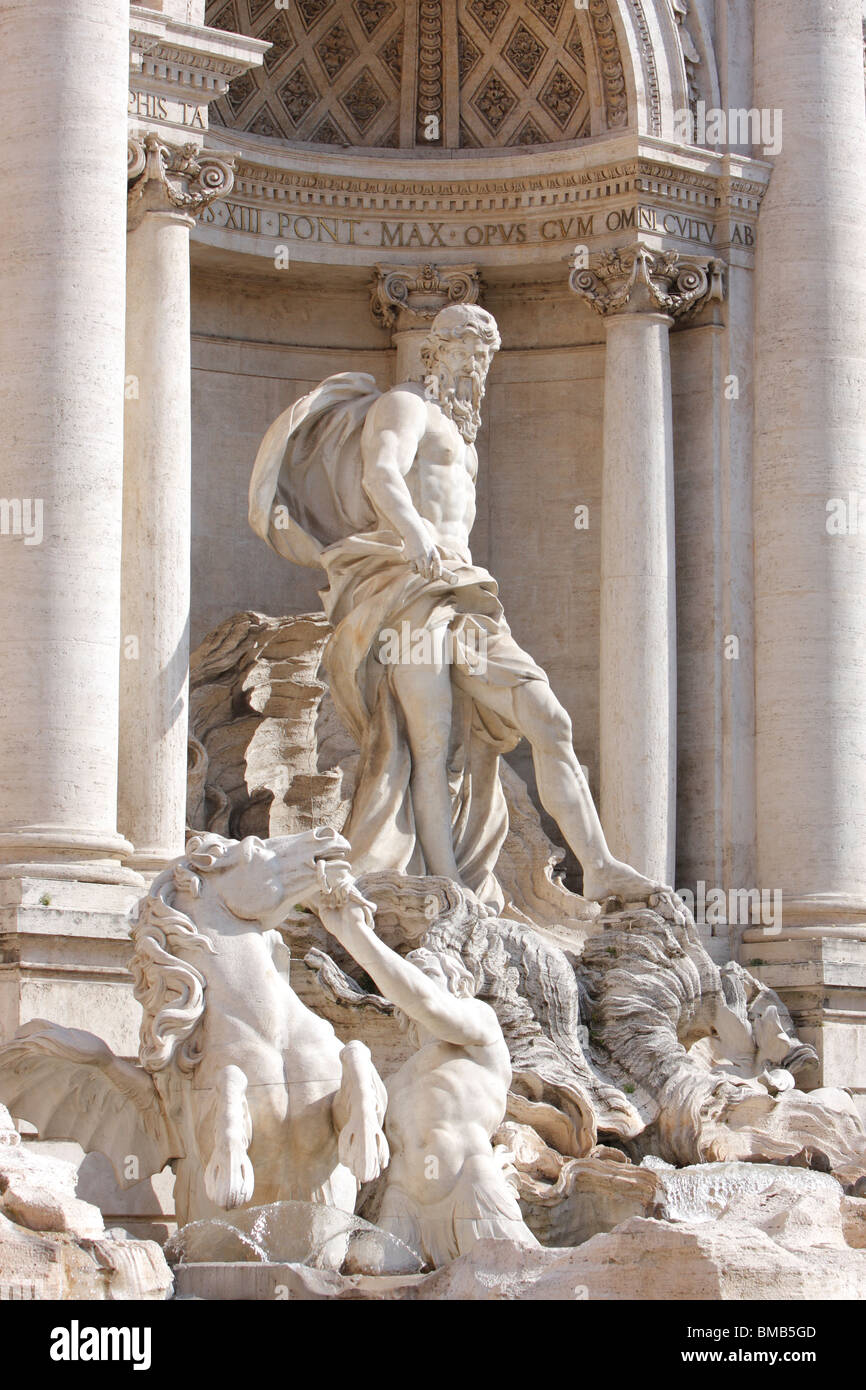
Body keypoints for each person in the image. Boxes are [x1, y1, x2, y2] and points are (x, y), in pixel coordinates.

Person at [249, 303, 665, 910]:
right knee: (431, 744)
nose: (476, 366)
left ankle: (598, 865)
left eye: (484, 356)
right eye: (466, 351)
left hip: (467, 594)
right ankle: (447, 887)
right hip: (407, 586)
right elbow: (380, 474)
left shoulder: (462, 434)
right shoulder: (405, 405)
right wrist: (416, 535)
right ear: (435, 351)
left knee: (550, 719)